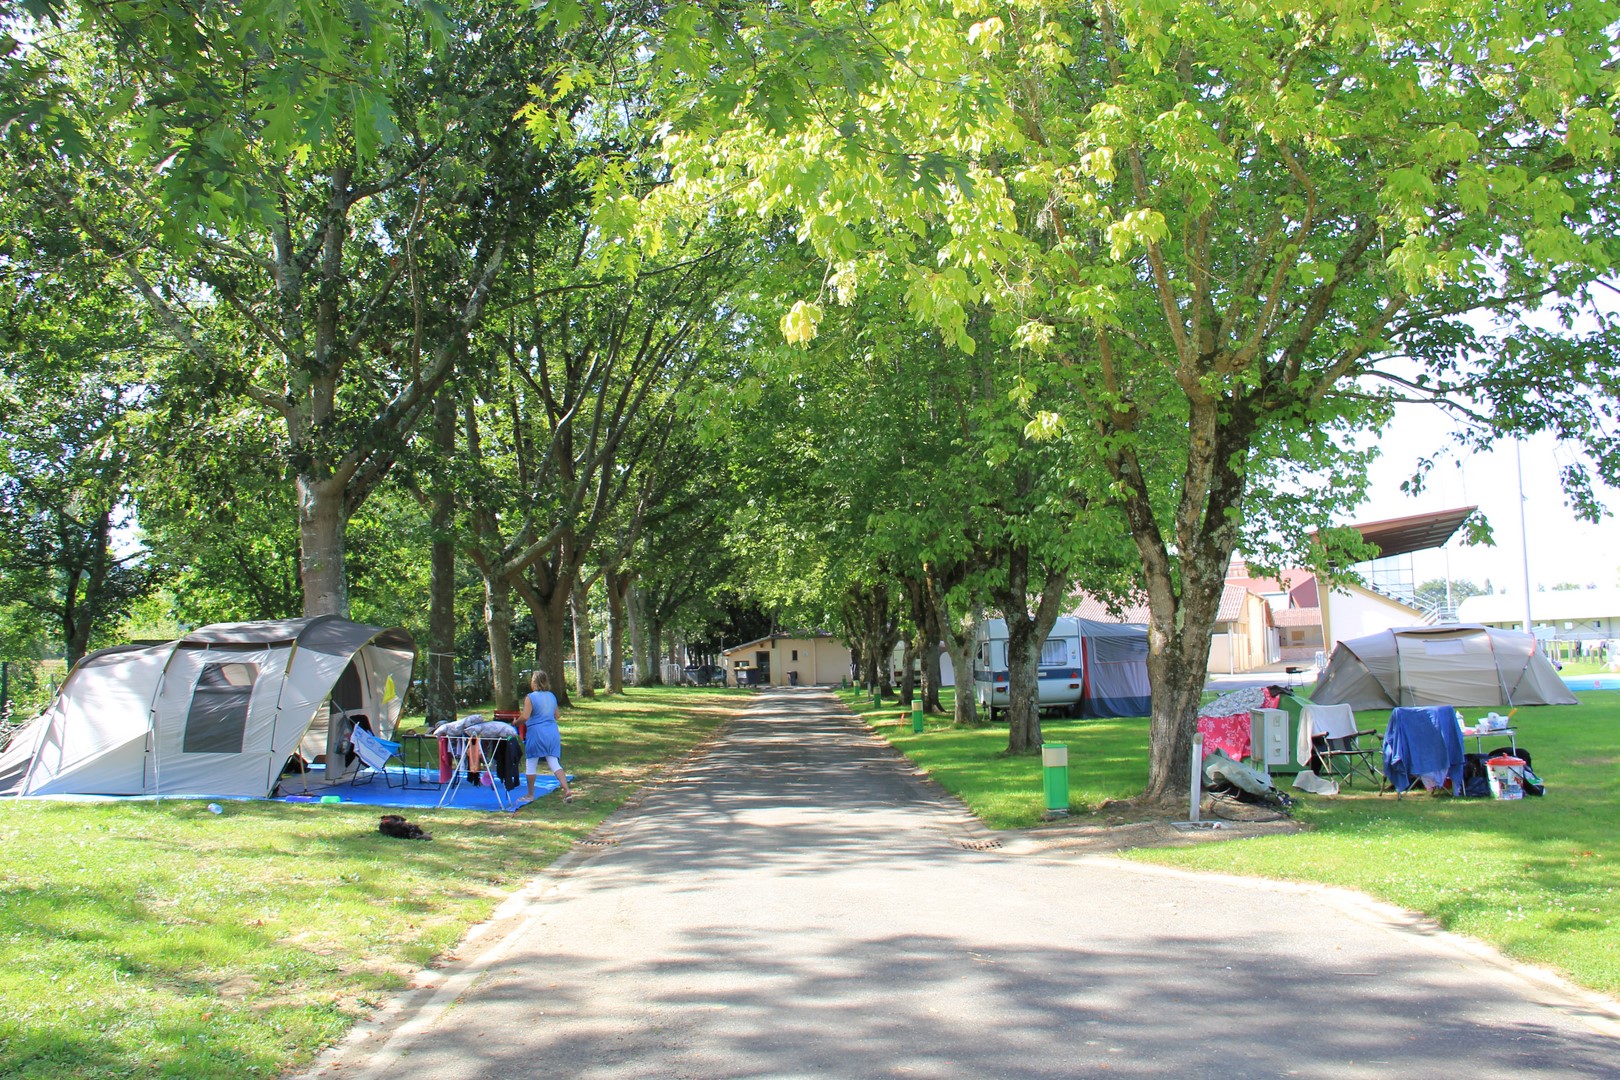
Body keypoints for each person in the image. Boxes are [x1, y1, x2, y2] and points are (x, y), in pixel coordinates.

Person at [518, 670, 573, 804]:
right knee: (554, 762)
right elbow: (557, 715)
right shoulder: (552, 696)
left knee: (531, 762)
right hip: (552, 732)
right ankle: (566, 789)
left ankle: (530, 794)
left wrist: (515, 722)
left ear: (534, 682)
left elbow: (525, 716)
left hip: (536, 733)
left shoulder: (530, 697)